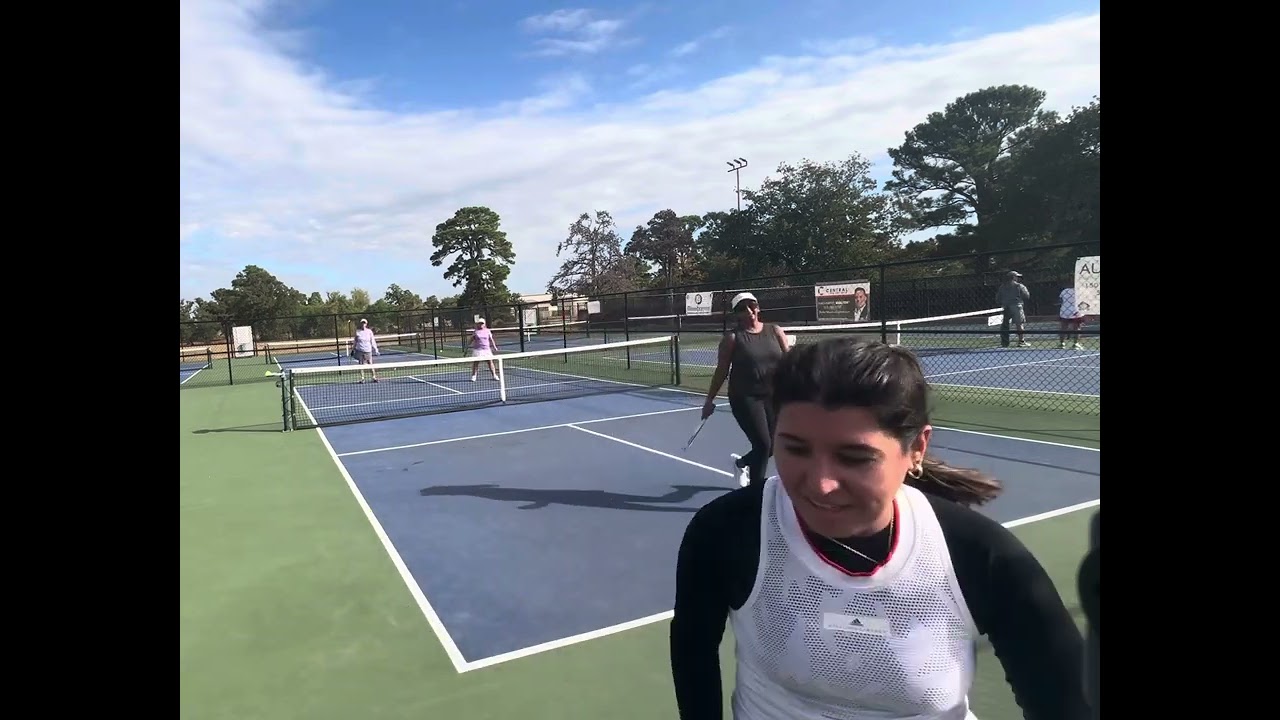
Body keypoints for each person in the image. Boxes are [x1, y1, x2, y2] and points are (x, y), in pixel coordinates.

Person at [671, 338, 1090, 720]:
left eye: (854, 457)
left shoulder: (982, 555)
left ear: (917, 448)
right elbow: (694, 655)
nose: (820, 484)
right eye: (795, 448)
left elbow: (1065, 704)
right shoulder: (726, 532)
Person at [701, 292, 791, 488]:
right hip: (745, 397)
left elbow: (790, 361)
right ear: (737, 314)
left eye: (752, 305)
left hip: (773, 396)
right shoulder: (732, 338)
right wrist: (709, 400)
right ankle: (754, 494)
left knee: (774, 445)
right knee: (763, 445)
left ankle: (741, 463)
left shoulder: (775, 331)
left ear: (758, 307)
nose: (749, 311)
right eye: (743, 308)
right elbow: (721, 370)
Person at [996, 270, 1031, 348]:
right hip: (1016, 306)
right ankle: (1021, 341)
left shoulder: (1002, 286)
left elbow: (998, 298)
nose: (1018, 278)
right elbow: (1026, 295)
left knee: (1005, 324)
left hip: (1005, 307)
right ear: (1013, 277)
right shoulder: (1019, 286)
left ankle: (1005, 342)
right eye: (1017, 277)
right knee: (1019, 324)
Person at [1057, 277, 1086, 350]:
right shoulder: (1080, 290)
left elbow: (1060, 300)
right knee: (1077, 328)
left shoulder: (1064, 291)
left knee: (1063, 327)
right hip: (1075, 311)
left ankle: (1062, 343)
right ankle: (1075, 343)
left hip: (1064, 311)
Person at [469, 318, 500, 382]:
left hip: (486, 349)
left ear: (484, 324)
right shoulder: (475, 331)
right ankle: (474, 376)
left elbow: (491, 339)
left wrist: (494, 347)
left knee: (490, 362)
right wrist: (467, 346)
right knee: (476, 363)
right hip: (477, 350)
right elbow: (471, 339)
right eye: (480, 323)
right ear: (477, 324)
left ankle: (494, 375)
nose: (481, 325)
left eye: (482, 323)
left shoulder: (488, 331)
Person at [350, 318, 380, 383]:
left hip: (368, 351)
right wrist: (353, 350)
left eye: (364, 323)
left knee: (370, 364)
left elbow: (372, 341)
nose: (363, 324)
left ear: (366, 324)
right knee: (361, 365)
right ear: (360, 324)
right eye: (362, 323)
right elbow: (355, 342)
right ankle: (362, 378)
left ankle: (374, 377)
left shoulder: (369, 332)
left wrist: (376, 349)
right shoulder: (358, 332)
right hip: (360, 351)